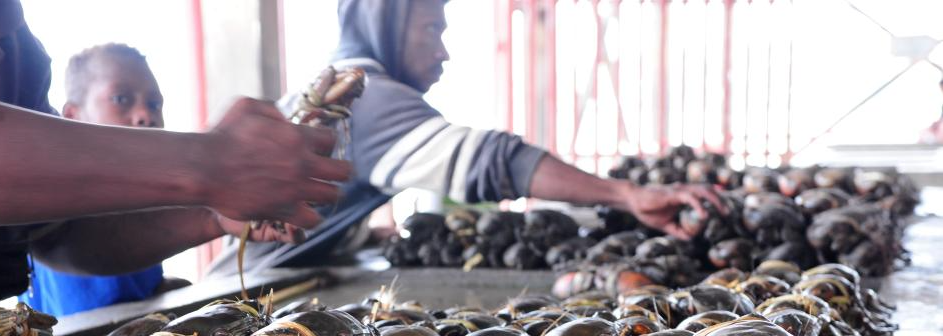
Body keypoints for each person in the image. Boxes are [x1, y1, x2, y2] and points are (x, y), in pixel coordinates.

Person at [209, 0, 725, 277]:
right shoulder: (364, 96)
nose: (443, 52)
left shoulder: (332, 84)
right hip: (260, 293)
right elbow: (497, 163)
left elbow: (324, 204)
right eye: (433, 28)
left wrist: (365, 236)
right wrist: (627, 195)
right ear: (387, 20)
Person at [0, 0, 348, 308]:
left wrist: (211, 215)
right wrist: (207, 163)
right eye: (122, 99)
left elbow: (54, 234)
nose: (144, 115)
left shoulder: (6, 34)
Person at [22, 43, 173, 316]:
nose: (145, 116)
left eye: (154, 104)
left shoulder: (140, 199)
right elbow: (99, 315)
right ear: (72, 116)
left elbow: (140, 293)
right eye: (120, 99)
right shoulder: (66, 201)